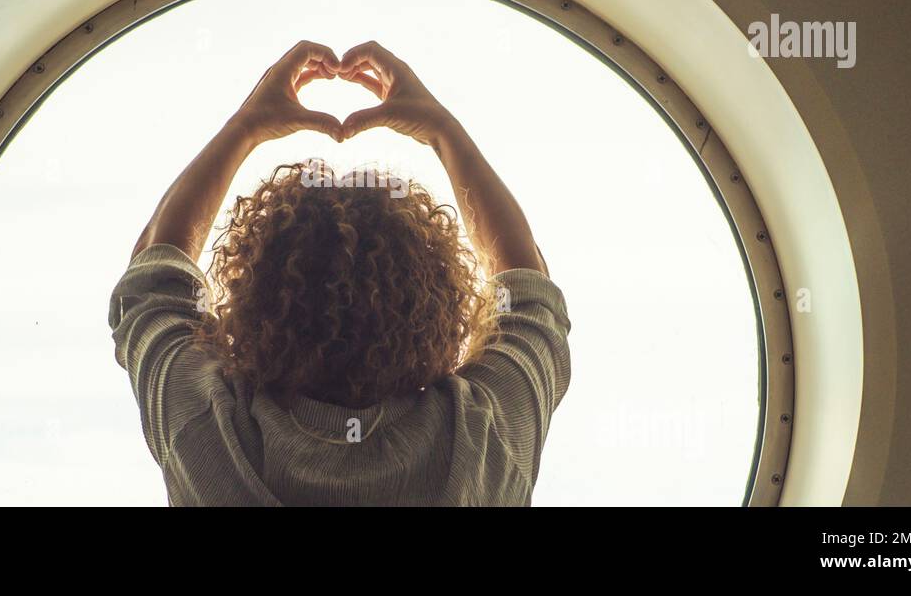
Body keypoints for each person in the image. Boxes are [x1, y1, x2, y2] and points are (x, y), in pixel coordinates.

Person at [108, 40, 571, 505]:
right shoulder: (479, 442)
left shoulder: (209, 431)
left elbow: (154, 275)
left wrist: (247, 127)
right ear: (433, 309)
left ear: (254, 303)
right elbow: (528, 289)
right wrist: (442, 131)